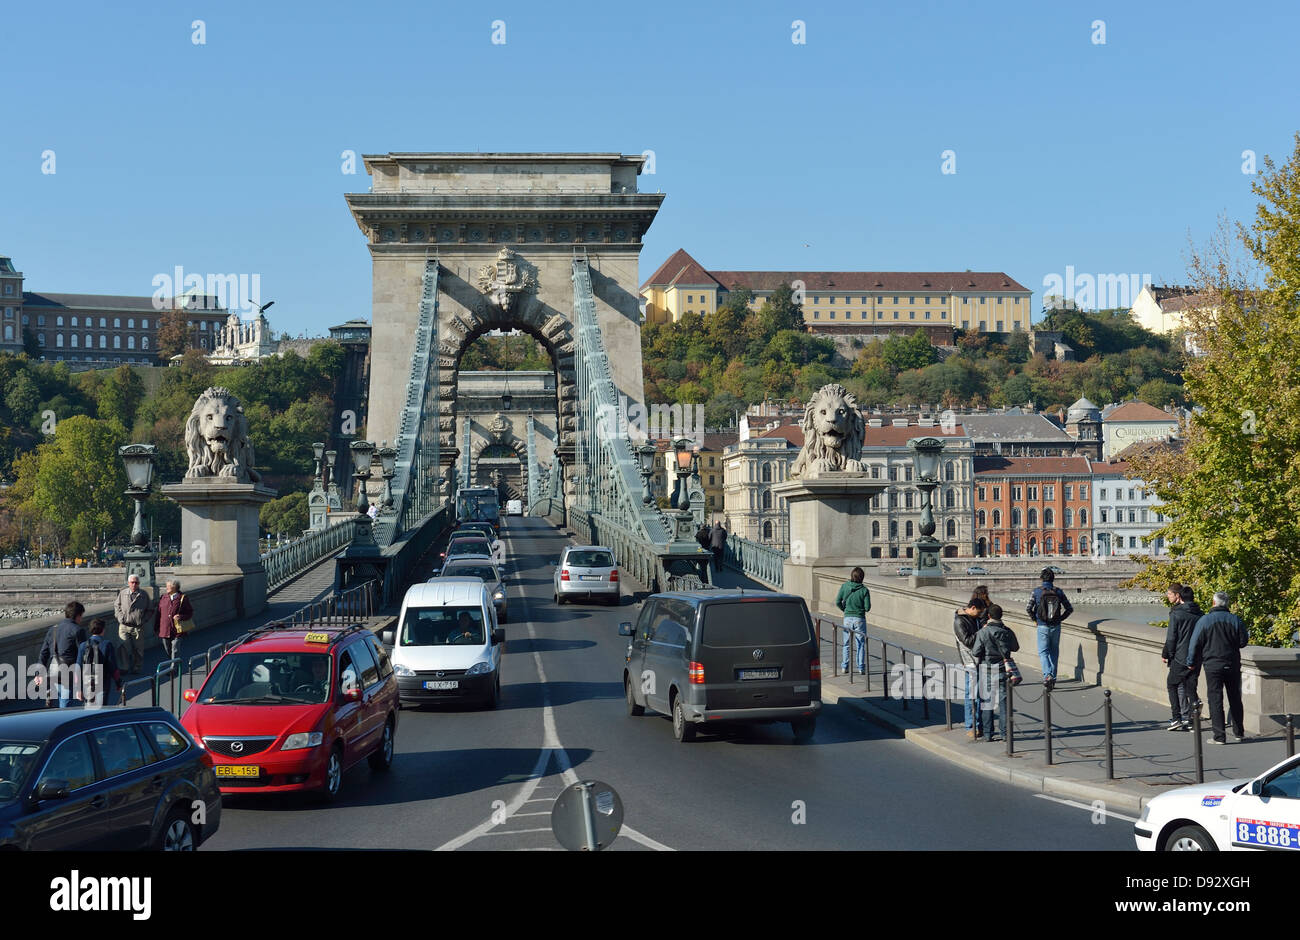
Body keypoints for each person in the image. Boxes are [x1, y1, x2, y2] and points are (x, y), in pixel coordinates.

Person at [1187, 591, 1250, 745]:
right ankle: (1239, 732)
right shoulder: (1235, 620)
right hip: (1232, 663)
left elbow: (1195, 643)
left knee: (1215, 700)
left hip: (1213, 664)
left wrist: (1191, 661)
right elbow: (1243, 642)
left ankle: (1219, 736)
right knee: (1235, 698)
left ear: (1213, 603)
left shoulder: (1204, 621)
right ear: (1227, 603)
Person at [971, 604, 1019, 742]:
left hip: (987, 669)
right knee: (1004, 702)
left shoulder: (983, 632)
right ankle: (1005, 733)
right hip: (1003, 669)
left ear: (989, 616)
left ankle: (987, 734)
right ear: (1001, 616)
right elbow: (1015, 647)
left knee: (987, 702)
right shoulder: (1007, 631)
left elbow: (975, 652)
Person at [1162, 584, 1204, 731]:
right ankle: (1193, 720)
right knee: (1191, 687)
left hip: (1180, 656)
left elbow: (1172, 637)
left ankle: (1176, 718)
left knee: (1172, 684)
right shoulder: (1201, 614)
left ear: (1180, 596)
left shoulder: (1176, 614)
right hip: (1197, 656)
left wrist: (1168, 654)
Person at [1026, 567, 1072, 690]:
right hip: (1056, 626)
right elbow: (1069, 608)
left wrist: (1035, 620)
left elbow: (1028, 608)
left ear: (1041, 579)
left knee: (1043, 652)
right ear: (1053, 579)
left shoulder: (1036, 592)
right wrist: (1060, 619)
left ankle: (1047, 676)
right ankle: (1053, 678)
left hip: (1042, 625)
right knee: (1054, 652)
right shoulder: (1059, 592)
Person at [37, 601, 88, 708]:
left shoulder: (53, 629)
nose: (81, 619)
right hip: (68, 672)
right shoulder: (78, 630)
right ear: (78, 616)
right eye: (81, 616)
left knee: (61, 697)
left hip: (54, 669)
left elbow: (44, 652)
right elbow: (85, 655)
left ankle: (50, 694)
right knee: (66, 702)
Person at [953, 597, 989, 739]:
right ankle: (971, 725)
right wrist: (982, 632)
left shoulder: (974, 618)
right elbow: (968, 641)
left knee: (979, 694)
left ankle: (978, 725)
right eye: (979, 612)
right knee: (971, 695)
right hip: (970, 661)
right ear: (972, 608)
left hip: (978, 659)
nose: (980, 616)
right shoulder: (959, 621)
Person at [76, 619, 123, 707]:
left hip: (88, 682)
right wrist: (118, 683)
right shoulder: (107, 644)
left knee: (89, 707)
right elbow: (112, 666)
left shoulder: (83, 645)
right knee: (101, 707)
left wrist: (78, 689)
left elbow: (78, 667)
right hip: (103, 681)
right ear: (103, 630)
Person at [113, 573, 152, 674]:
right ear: (128, 583)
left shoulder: (144, 595)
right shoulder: (123, 593)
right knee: (123, 646)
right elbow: (117, 606)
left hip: (137, 627)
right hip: (124, 626)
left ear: (139, 583)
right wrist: (120, 617)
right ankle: (124, 667)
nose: (134, 584)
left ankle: (137, 667)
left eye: (136, 582)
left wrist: (143, 620)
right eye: (132, 582)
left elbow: (150, 610)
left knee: (138, 649)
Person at [835, 567, 870, 674]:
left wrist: (844, 610)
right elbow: (867, 608)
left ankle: (845, 666)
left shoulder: (844, 586)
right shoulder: (864, 590)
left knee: (846, 643)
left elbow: (837, 601)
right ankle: (861, 667)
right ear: (862, 578)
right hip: (859, 619)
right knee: (860, 644)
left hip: (847, 619)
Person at [156, 580, 192, 662]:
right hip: (165, 630)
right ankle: (174, 662)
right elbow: (158, 613)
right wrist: (156, 627)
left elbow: (190, 613)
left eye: (168, 586)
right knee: (168, 650)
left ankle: (173, 669)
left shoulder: (182, 598)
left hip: (177, 630)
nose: (166, 587)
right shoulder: (163, 598)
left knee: (175, 649)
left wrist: (181, 617)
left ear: (175, 587)